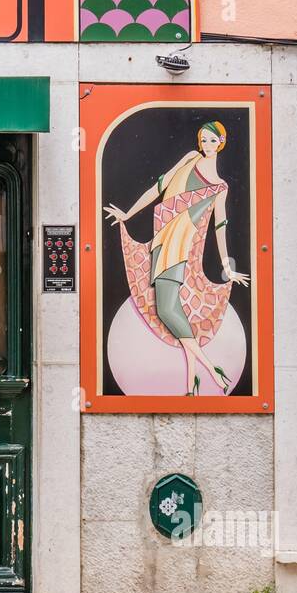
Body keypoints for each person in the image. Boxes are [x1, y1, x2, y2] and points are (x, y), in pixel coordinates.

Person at [104, 120, 248, 395]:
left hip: (181, 244)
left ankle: (211, 370)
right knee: (172, 308)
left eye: (211, 140)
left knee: (167, 309)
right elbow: (158, 188)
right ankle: (193, 376)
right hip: (162, 237)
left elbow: (221, 226)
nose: (206, 145)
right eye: (203, 140)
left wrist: (227, 267)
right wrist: (128, 213)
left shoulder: (220, 186)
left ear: (222, 142)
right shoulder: (190, 159)